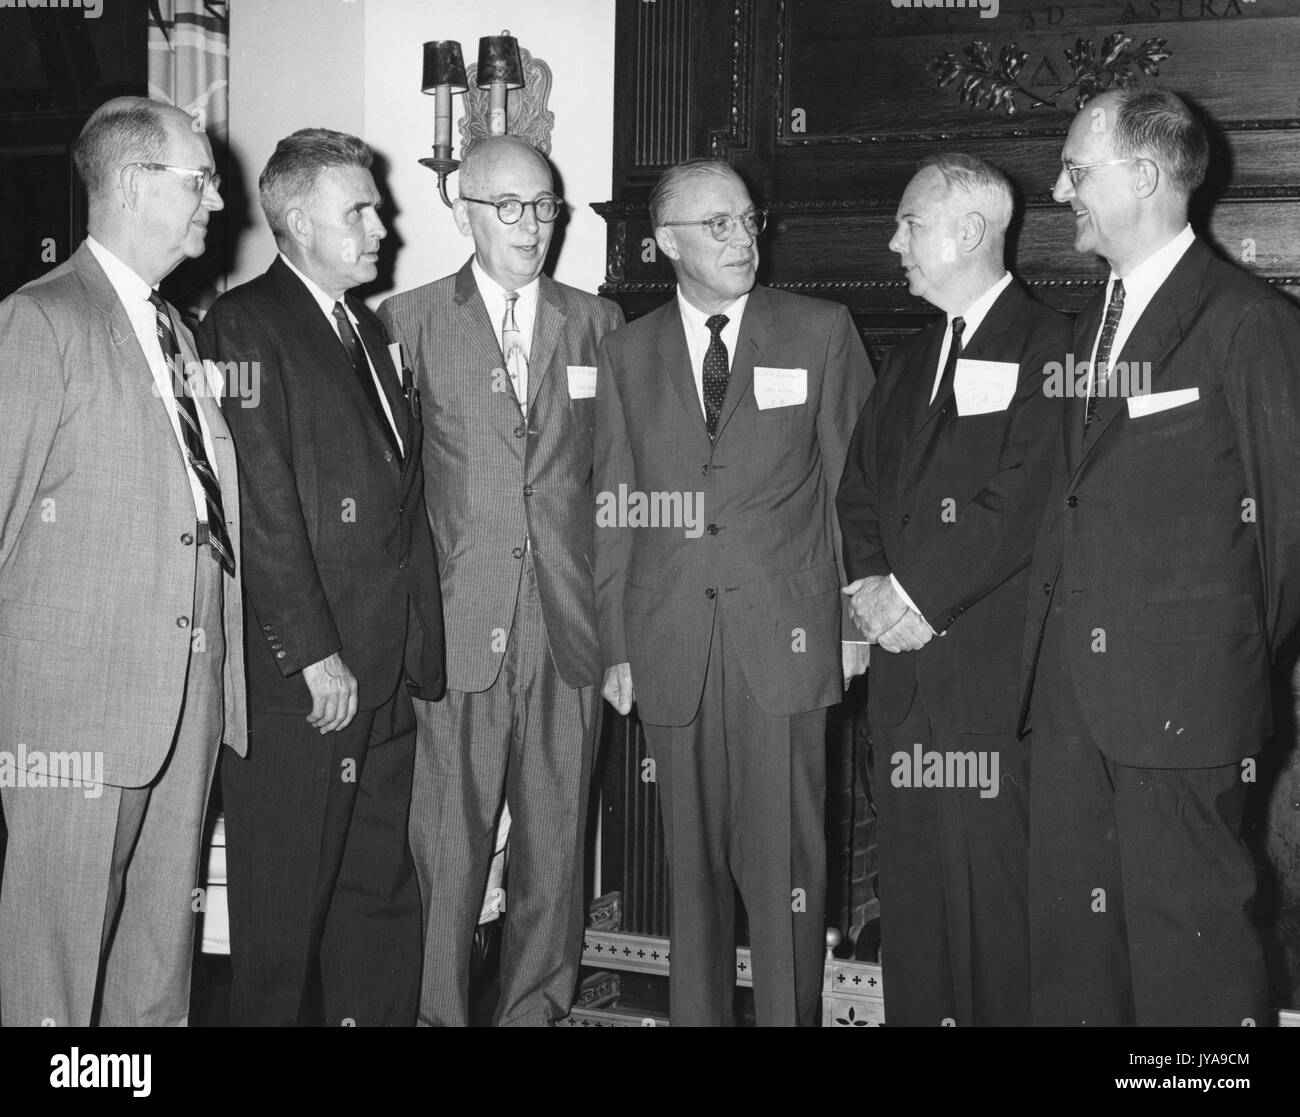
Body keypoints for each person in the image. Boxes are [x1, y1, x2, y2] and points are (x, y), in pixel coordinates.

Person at [1021, 86, 1300, 1025]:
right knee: (1080, 954)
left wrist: (1212, 671)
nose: (1060, 190)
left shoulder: (1246, 321)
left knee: (1196, 964)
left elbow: (1288, 534)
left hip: (1182, 707)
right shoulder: (1089, 322)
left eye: (1076, 168)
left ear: (1142, 176)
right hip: (1073, 703)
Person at [593, 158, 873, 1026]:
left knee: (789, 869)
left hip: (786, 640)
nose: (744, 237)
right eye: (718, 224)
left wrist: (854, 621)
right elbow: (612, 507)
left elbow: (853, 493)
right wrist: (615, 643)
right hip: (669, 639)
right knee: (691, 874)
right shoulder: (625, 351)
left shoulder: (821, 330)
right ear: (666, 241)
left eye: (749, 220)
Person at [0, 96, 244, 1025]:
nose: (217, 202)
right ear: (139, 184)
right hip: (70, 715)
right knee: (53, 962)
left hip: (182, 695)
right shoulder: (39, 323)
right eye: (201, 180)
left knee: (157, 958)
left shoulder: (176, 330)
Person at [198, 128, 445, 1027]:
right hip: (309, 686)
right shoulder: (242, 324)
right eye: (359, 208)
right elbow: (259, 508)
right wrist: (314, 655)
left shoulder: (369, 332)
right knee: (280, 926)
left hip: (382, 673)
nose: (381, 224)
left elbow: (395, 500)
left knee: (377, 899)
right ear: (297, 221)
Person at [378, 135, 624, 1027]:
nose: (533, 226)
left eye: (547, 206)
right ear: (463, 210)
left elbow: (617, 482)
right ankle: (437, 1017)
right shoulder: (403, 324)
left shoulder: (599, 322)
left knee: (554, 854)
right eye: (510, 207)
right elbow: (388, 493)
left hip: (568, 627)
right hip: (456, 626)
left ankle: (532, 1013)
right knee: (447, 851)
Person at [836, 154, 1069, 1026]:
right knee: (916, 918)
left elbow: (1022, 497)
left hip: (992, 692)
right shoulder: (905, 358)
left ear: (969, 232)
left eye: (908, 223)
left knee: (999, 923)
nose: (893, 240)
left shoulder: (1055, 346)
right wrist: (868, 587)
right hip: (903, 695)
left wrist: (915, 597)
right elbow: (857, 488)